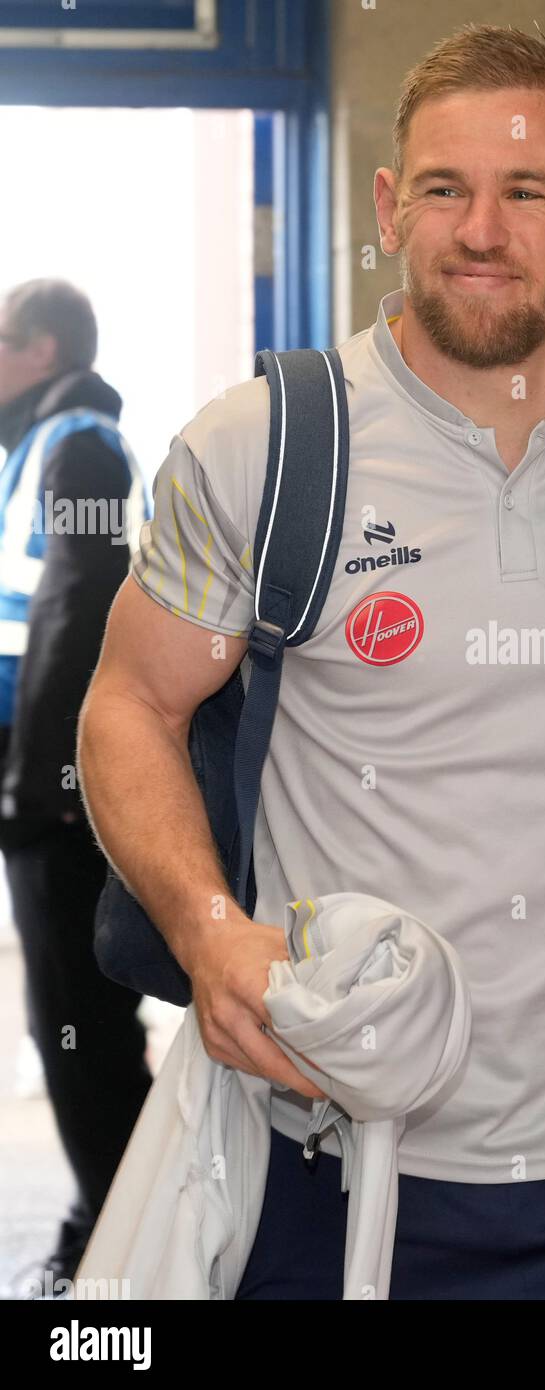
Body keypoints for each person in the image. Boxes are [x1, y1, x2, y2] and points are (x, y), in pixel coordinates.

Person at [79, 23, 545, 1300]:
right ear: (392, 207)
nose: (482, 229)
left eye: (529, 191)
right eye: (445, 189)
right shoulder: (259, 450)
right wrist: (208, 929)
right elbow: (129, 705)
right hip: (332, 1157)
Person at [0, 278, 152, 1287]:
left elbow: (78, 604)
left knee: (81, 1020)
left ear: (43, 348)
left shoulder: (81, 444)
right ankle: (111, 1213)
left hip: (57, 795)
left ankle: (122, 1232)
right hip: (37, 775)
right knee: (68, 1018)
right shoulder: (39, 446)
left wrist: (41, 783)